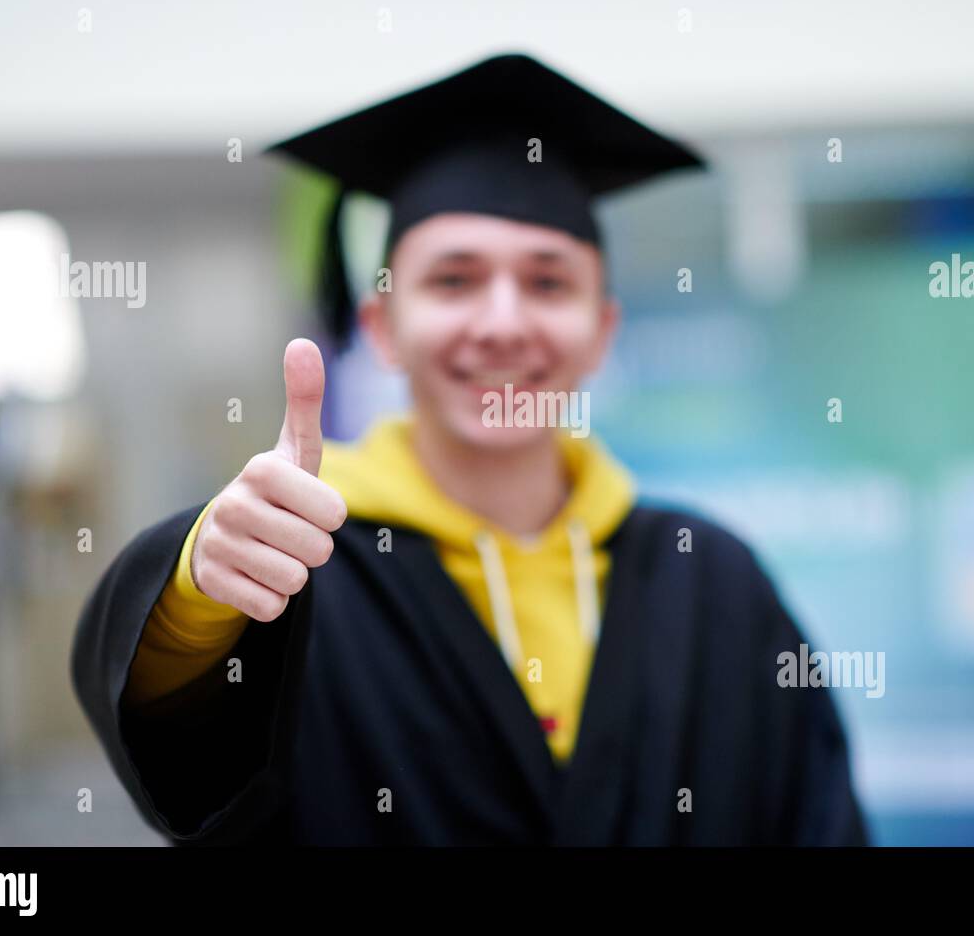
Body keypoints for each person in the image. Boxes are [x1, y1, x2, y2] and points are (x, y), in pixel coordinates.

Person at [71, 53, 869, 845]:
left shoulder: (712, 582)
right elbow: (181, 763)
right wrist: (197, 589)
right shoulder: (295, 570)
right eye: (454, 280)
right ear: (383, 328)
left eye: (549, 283)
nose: (501, 323)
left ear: (602, 331)